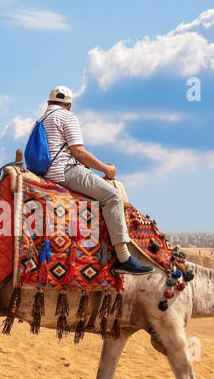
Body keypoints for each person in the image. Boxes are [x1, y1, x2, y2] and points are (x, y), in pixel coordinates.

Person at [38, 85, 150, 275]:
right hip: (64, 172)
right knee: (114, 196)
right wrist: (106, 169)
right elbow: (78, 152)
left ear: (48, 103)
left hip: (46, 172)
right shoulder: (67, 117)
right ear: (69, 106)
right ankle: (124, 258)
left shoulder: (41, 119)